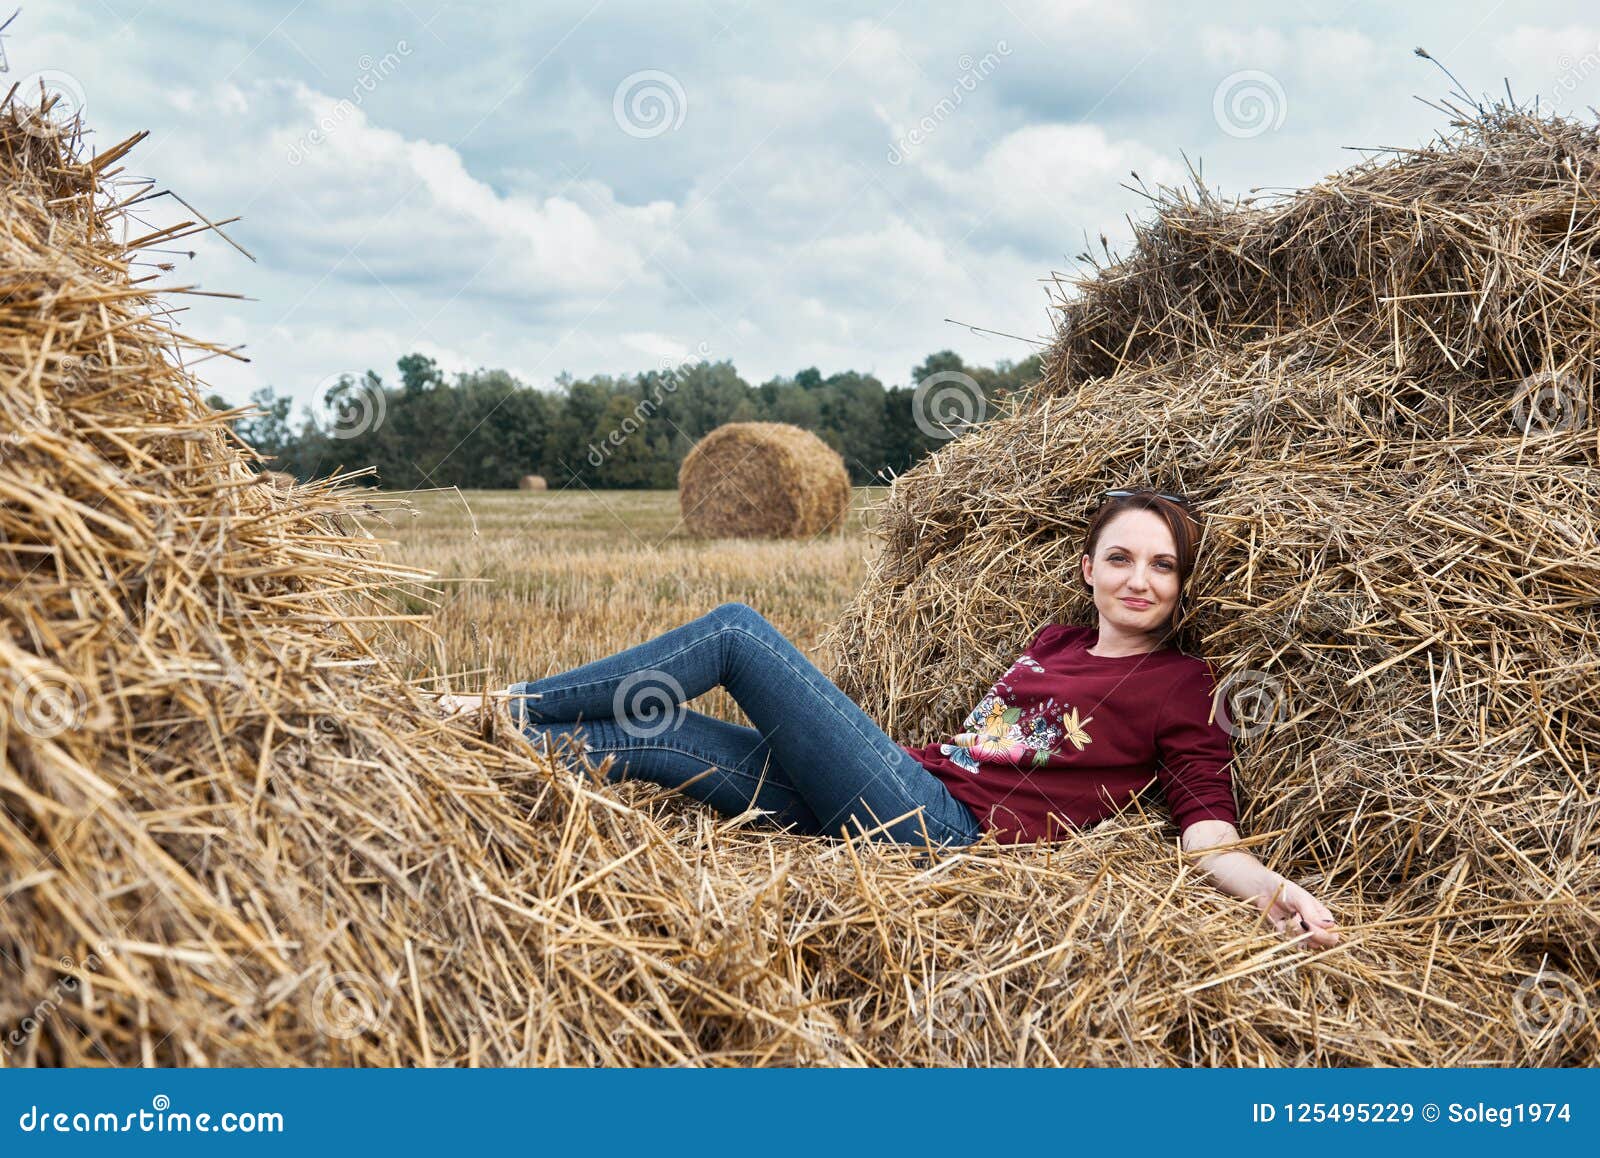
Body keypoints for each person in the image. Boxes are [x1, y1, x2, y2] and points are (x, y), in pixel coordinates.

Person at [431, 488, 1341, 948]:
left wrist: (1272, 893)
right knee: (652, 736)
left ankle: (500, 703)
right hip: (900, 787)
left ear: (1183, 584)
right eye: (1121, 558)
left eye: (1163, 566)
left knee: (739, 636)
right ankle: (457, 759)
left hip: (937, 833)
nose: (1139, 580)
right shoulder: (1055, 641)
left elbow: (1206, 829)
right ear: (1090, 569)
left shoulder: (1185, 686)